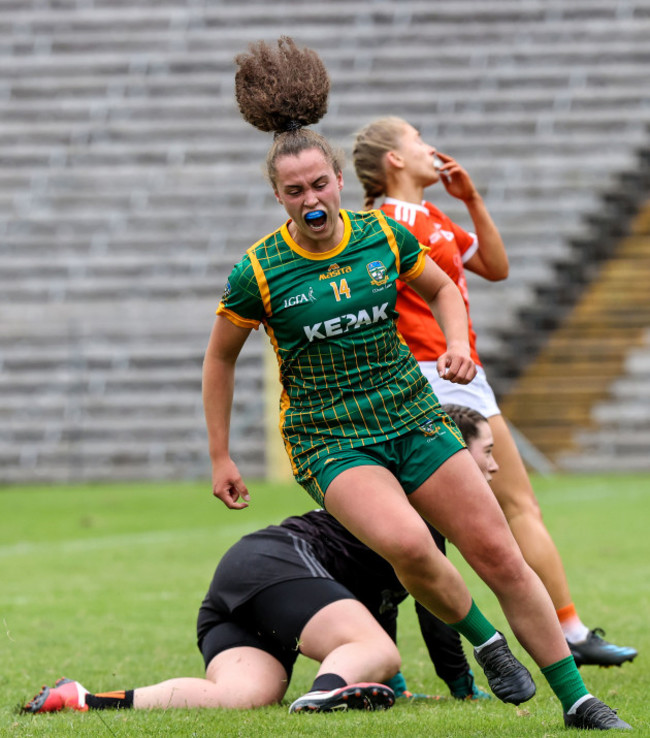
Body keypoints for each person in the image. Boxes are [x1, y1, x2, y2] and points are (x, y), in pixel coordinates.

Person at [201, 37, 630, 731]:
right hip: (331, 438)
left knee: (499, 551)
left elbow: (446, 288)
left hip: (411, 415)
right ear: (277, 196)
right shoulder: (259, 270)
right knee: (408, 544)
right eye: (294, 191)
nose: (310, 200)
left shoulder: (381, 237)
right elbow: (219, 359)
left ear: (339, 180)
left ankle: (578, 698)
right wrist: (222, 454)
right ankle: (486, 641)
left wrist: (459, 344)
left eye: (319, 185)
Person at [352, 116, 638, 670]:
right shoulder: (389, 221)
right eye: (416, 140)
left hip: (463, 372)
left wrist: (473, 198)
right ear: (393, 160)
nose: (430, 147)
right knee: (463, 524)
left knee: (488, 516)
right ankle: (555, 636)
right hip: (429, 375)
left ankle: (559, 633)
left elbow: (495, 268)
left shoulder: (432, 215)